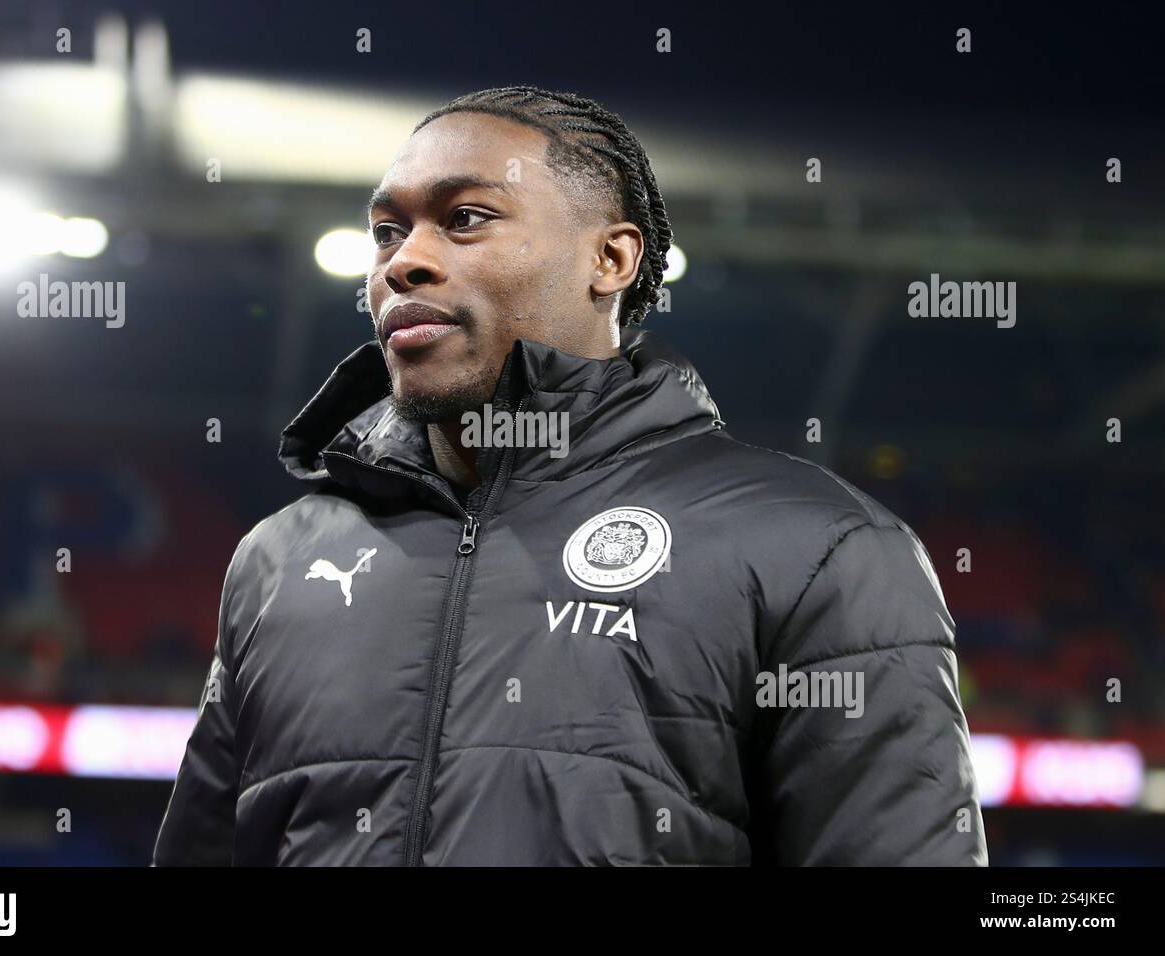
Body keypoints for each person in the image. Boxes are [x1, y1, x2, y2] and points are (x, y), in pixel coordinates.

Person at [153, 86, 987, 866]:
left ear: (611, 259)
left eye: (466, 218)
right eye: (386, 232)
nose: (403, 262)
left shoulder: (817, 549)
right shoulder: (279, 559)